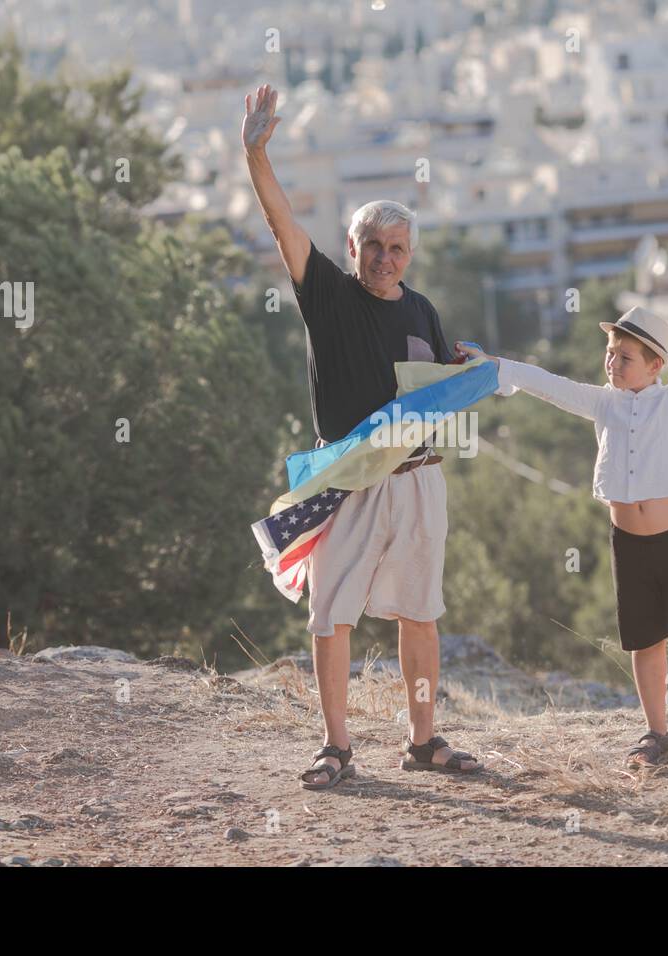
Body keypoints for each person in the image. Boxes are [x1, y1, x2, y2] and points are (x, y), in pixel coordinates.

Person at [242, 83, 483, 789]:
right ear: (353, 248)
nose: (385, 257)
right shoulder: (327, 294)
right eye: (373, 245)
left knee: (421, 617)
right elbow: (279, 218)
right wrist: (255, 151)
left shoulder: (423, 308)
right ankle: (336, 747)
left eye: (397, 248)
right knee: (329, 616)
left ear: (410, 253)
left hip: (418, 480)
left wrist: (462, 369)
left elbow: (434, 388)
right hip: (350, 481)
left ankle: (424, 740)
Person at [456, 266, 668, 769]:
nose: (611, 361)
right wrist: (496, 366)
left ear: (655, 365)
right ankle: (655, 733)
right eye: (610, 352)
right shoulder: (603, 403)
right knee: (644, 642)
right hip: (630, 545)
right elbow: (546, 383)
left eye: (624, 356)